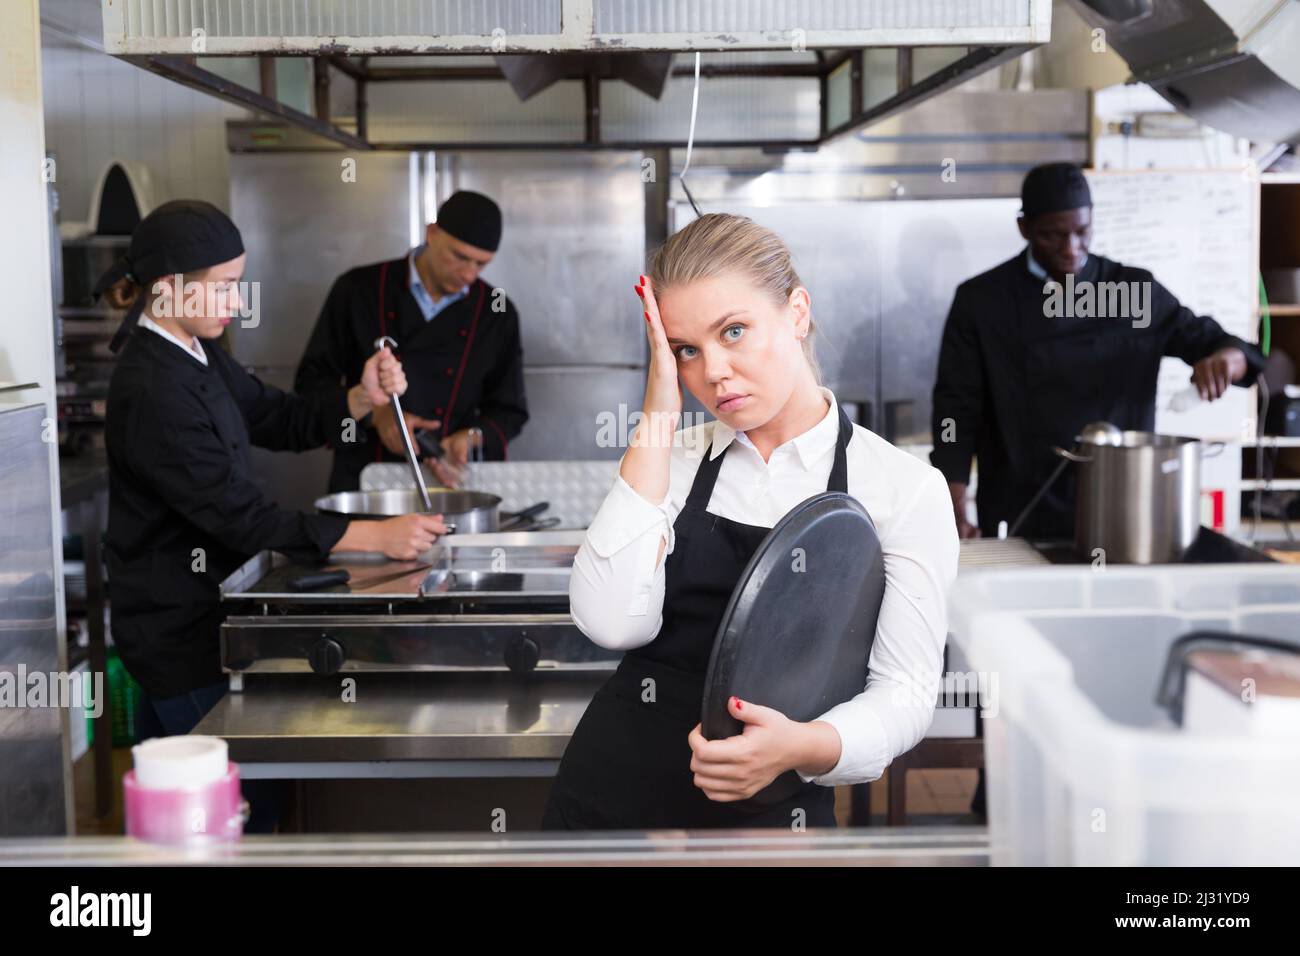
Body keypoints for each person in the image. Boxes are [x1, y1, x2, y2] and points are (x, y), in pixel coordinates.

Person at [541, 213, 958, 830]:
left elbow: (905, 693)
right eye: (686, 350)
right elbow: (610, 623)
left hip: (771, 812)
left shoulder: (902, 487)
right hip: (611, 797)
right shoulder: (670, 458)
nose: (711, 372)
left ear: (796, 312)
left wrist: (800, 746)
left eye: (733, 331)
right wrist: (658, 413)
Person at [99, 200, 448, 828]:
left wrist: (360, 396)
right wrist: (372, 535)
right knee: (225, 816)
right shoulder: (153, 389)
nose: (238, 301)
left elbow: (277, 418)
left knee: (174, 811)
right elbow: (239, 518)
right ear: (171, 288)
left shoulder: (195, 351)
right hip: (179, 633)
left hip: (205, 616)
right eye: (227, 286)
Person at [931, 162, 1265, 539]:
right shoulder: (983, 301)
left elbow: (1220, 343)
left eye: (1081, 232)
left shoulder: (1134, 292)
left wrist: (1228, 360)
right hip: (1019, 506)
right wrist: (952, 501)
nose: (1070, 249)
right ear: (1024, 228)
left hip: (1126, 504)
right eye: (1051, 236)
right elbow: (955, 410)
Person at [295, 190, 528, 492]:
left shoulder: (497, 312)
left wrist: (472, 436)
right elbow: (311, 385)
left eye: (481, 264)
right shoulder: (359, 290)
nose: (469, 274)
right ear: (432, 233)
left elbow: (510, 410)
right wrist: (375, 415)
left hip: (452, 484)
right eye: (459, 257)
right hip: (366, 481)